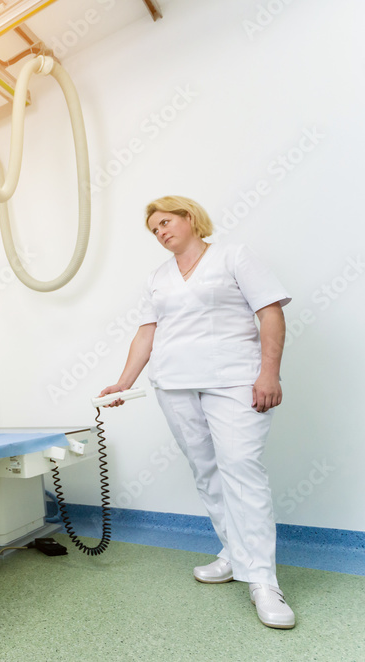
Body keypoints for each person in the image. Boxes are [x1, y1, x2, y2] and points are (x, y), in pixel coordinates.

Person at [98, 195, 293, 629]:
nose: (161, 232)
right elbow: (147, 331)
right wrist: (124, 382)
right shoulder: (158, 277)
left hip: (235, 379)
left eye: (166, 221)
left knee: (240, 467)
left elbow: (270, 312)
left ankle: (262, 579)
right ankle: (232, 552)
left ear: (190, 218)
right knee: (206, 471)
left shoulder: (232, 256)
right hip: (174, 384)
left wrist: (269, 374)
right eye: (154, 229)